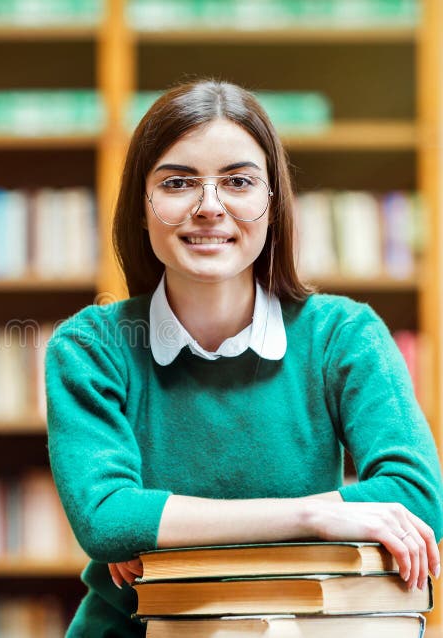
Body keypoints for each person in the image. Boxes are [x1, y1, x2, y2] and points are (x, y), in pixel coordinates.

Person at [44, 79, 443, 637]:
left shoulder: (345, 334)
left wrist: (161, 532)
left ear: (273, 205)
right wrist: (314, 514)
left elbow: (415, 499)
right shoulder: (91, 347)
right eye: (178, 183)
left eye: (238, 182)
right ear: (141, 205)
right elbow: (106, 520)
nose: (209, 208)